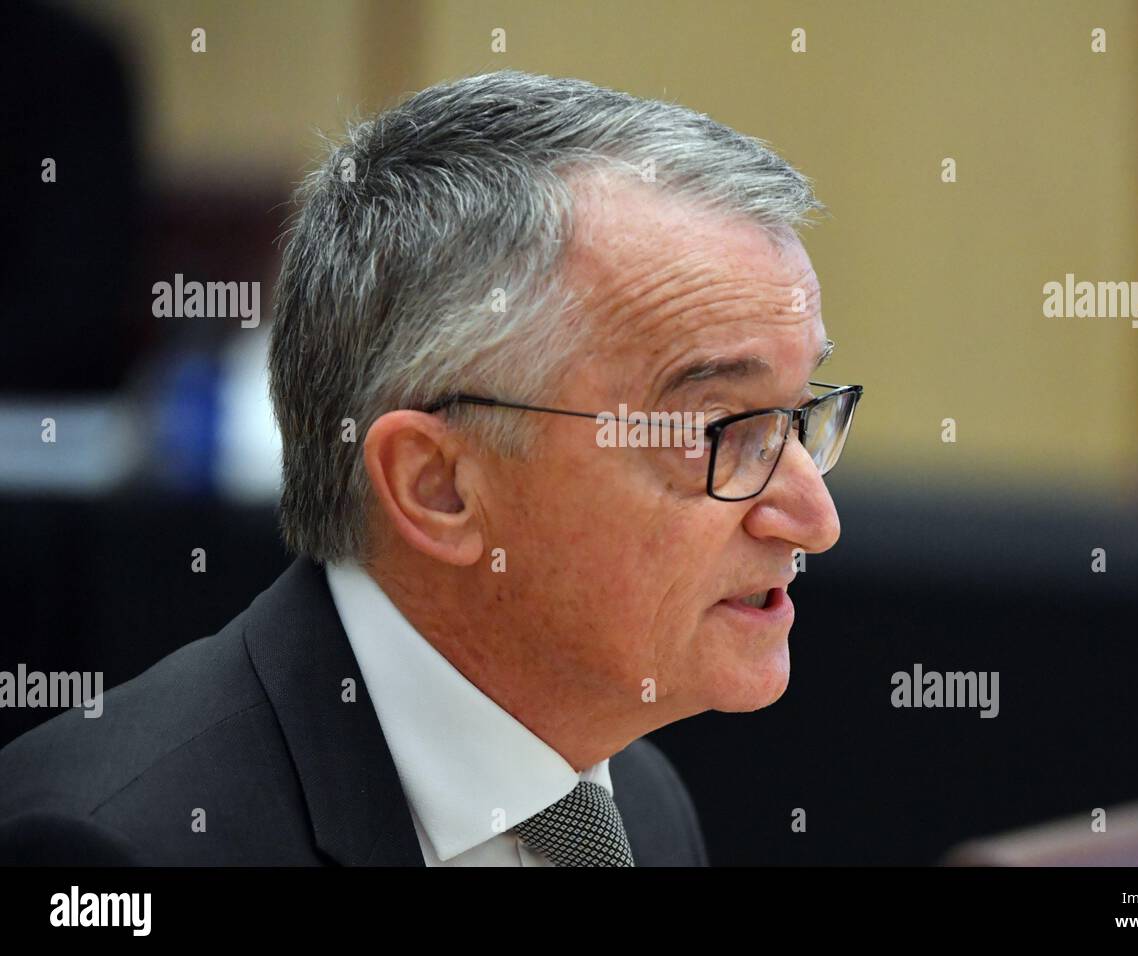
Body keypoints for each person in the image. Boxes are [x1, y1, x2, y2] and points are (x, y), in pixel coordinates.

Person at [0, 69, 859, 866]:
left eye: (797, 418)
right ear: (438, 486)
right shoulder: (113, 849)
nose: (813, 518)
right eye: (717, 428)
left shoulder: (635, 805)